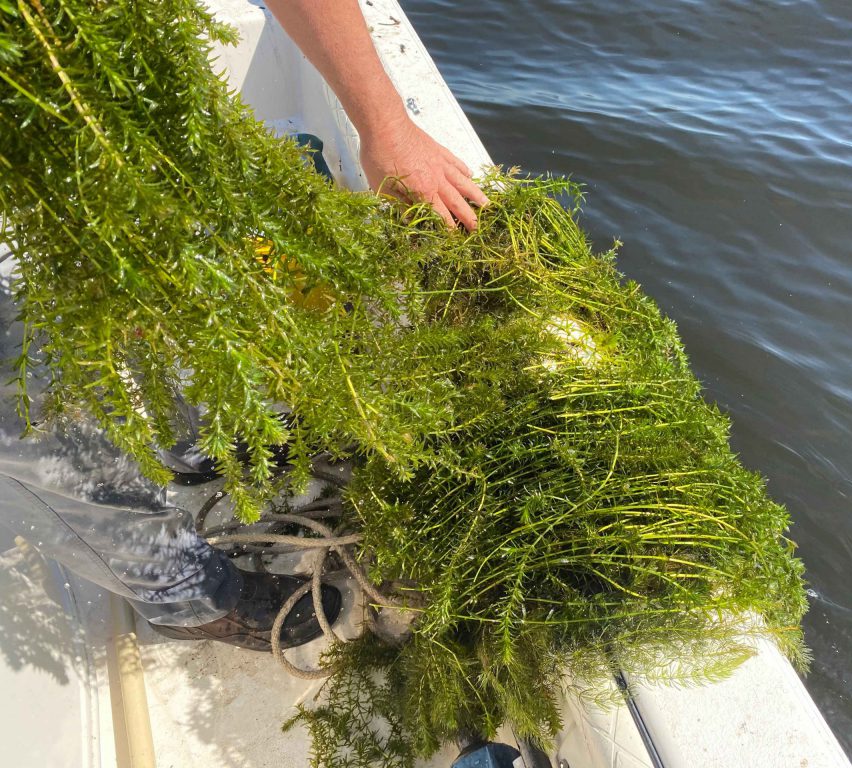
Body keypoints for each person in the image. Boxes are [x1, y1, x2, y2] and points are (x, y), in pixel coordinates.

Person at [0, 0, 487, 651]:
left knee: (167, 245)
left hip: (80, 83)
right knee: (23, 391)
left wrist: (387, 127)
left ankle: (208, 439)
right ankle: (185, 598)